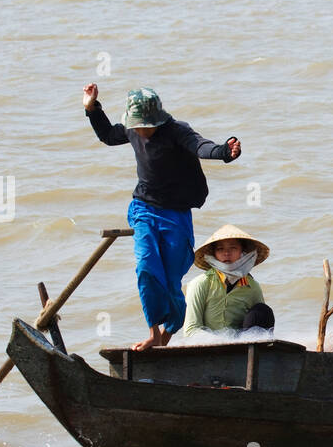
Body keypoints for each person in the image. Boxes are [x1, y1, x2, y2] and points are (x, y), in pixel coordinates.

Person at [82, 83, 241, 350]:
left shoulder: (177, 131)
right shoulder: (132, 129)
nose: (141, 131)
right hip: (143, 207)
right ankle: (153, 333)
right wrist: (91, 107)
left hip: (176, 212)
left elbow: (201, 146)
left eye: (146, 126)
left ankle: (163, 340)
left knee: (171, 278)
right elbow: (108, 135)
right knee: (147, 267)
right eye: (136, 126)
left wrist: (224, 151)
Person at [182, 225, 274, 341]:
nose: (226, 253)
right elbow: (191, 330)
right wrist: (221, 342)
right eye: (220, 249)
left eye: (233, 248)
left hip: (241, 347)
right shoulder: (200, 283)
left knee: (262, 311)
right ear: (214, 254)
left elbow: (261, 322)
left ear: (242, 252)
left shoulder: (252, 287)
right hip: (207, 346)